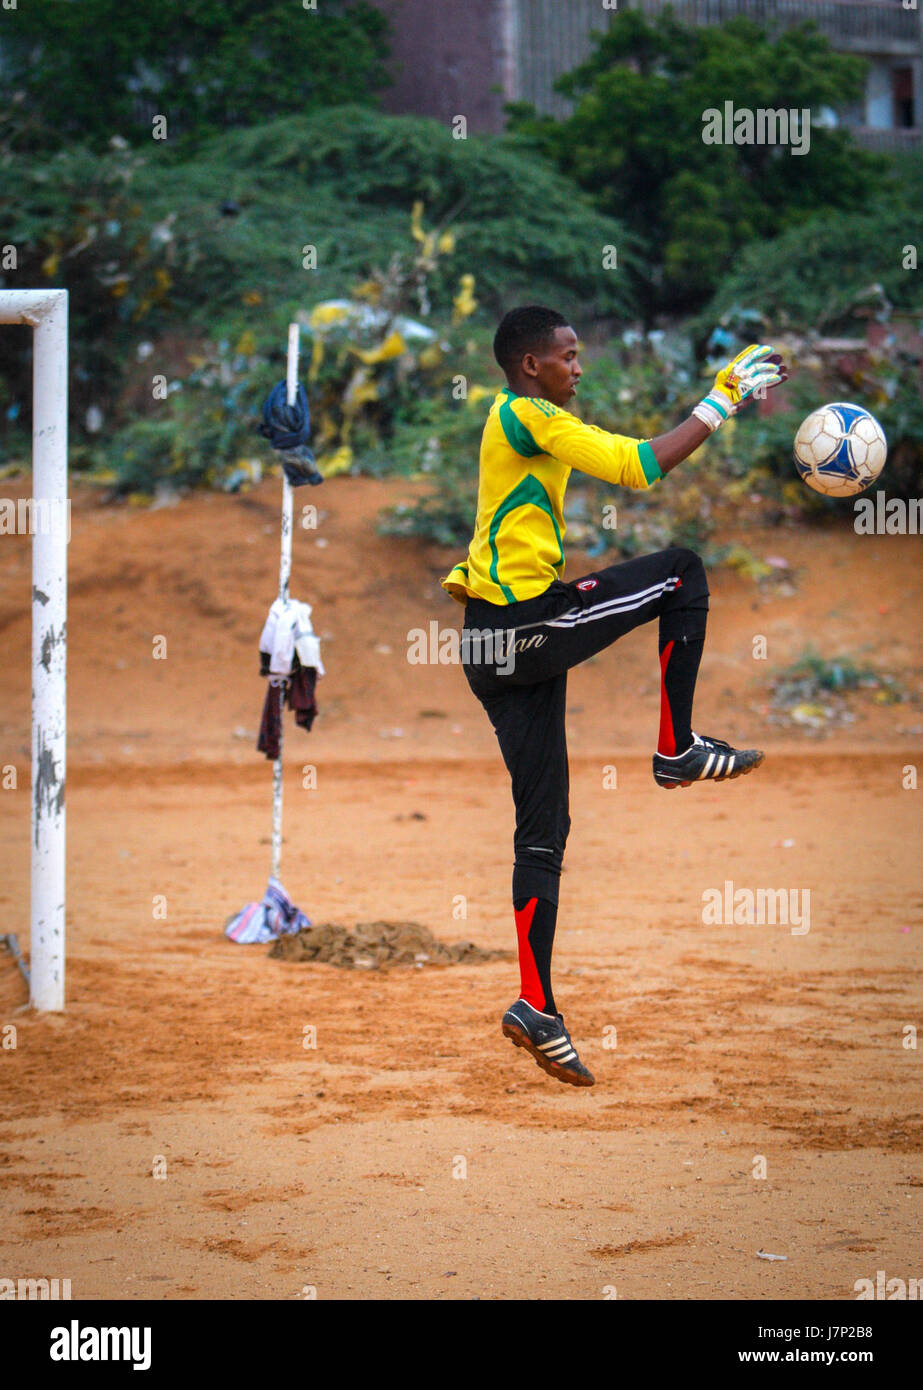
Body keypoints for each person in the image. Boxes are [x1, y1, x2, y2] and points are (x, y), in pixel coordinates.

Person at [441, 306, 787, 1087]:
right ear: (531, 364)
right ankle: (675, 749)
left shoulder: (520, 416)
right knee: (682, 571)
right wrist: (721, 399)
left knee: (543, 829)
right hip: (524, 626)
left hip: (488, 646)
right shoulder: (530, 414)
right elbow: (638, 465)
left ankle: (535, 1007)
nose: (578, 367)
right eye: (568, 356)